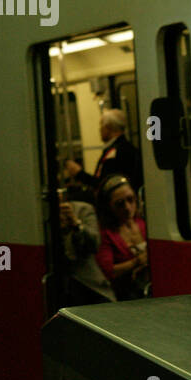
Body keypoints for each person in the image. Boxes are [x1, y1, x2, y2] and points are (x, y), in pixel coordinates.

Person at [94, 173, 149, 302]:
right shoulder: (106, 234)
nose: (127, 208)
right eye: (120, 204)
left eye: (130, 200)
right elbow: (108, 272)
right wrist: (137, 261)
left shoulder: (144, 223)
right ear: (108, 207)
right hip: (127, 296)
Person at [65, 109, 143, 194]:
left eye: (101, 125)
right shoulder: (121, 148)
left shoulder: (118, 152)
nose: (100, 129)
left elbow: (105, 185)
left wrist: (79, 173)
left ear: (109, 127)